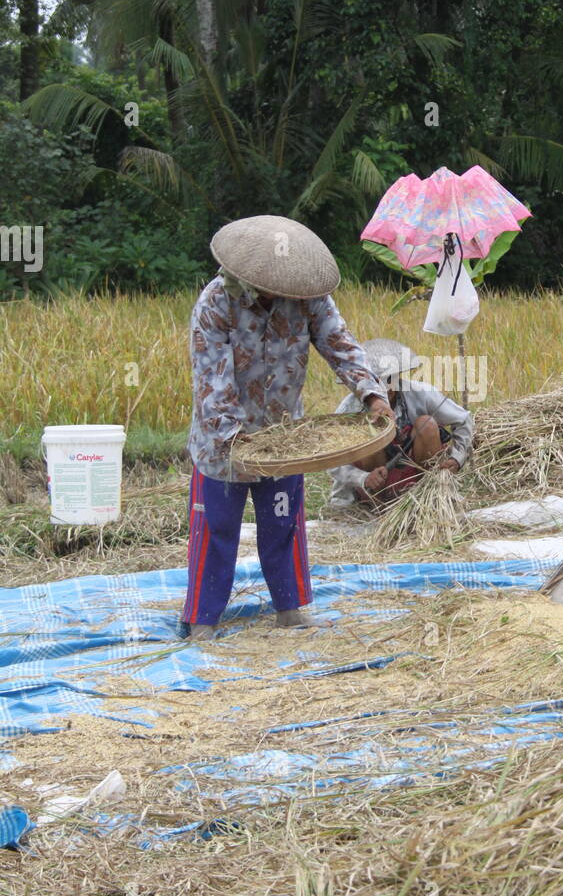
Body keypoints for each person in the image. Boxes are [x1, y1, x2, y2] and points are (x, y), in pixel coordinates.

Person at [182, 215, 393, 638]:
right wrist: (235, 441)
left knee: (283, 524)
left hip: (285, 437)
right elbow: (212, 379)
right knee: (217, 529)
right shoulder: (217, 302)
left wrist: (372, 394)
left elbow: (340, 344)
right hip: (221, 444)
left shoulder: (308, 298)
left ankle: (291, 608)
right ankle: (202, 620)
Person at [328, 337, 473, 509]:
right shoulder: (348, 409)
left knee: (426, 424)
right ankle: (380, 506)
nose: (385, 389)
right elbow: (333, 460)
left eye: (389, 380)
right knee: (366, 434)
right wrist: (362, 478)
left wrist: (457, 458)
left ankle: (431, 496)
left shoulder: (420, 393)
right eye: (375, 384)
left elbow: (463, 419)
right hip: (375, 485)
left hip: (417, 476)